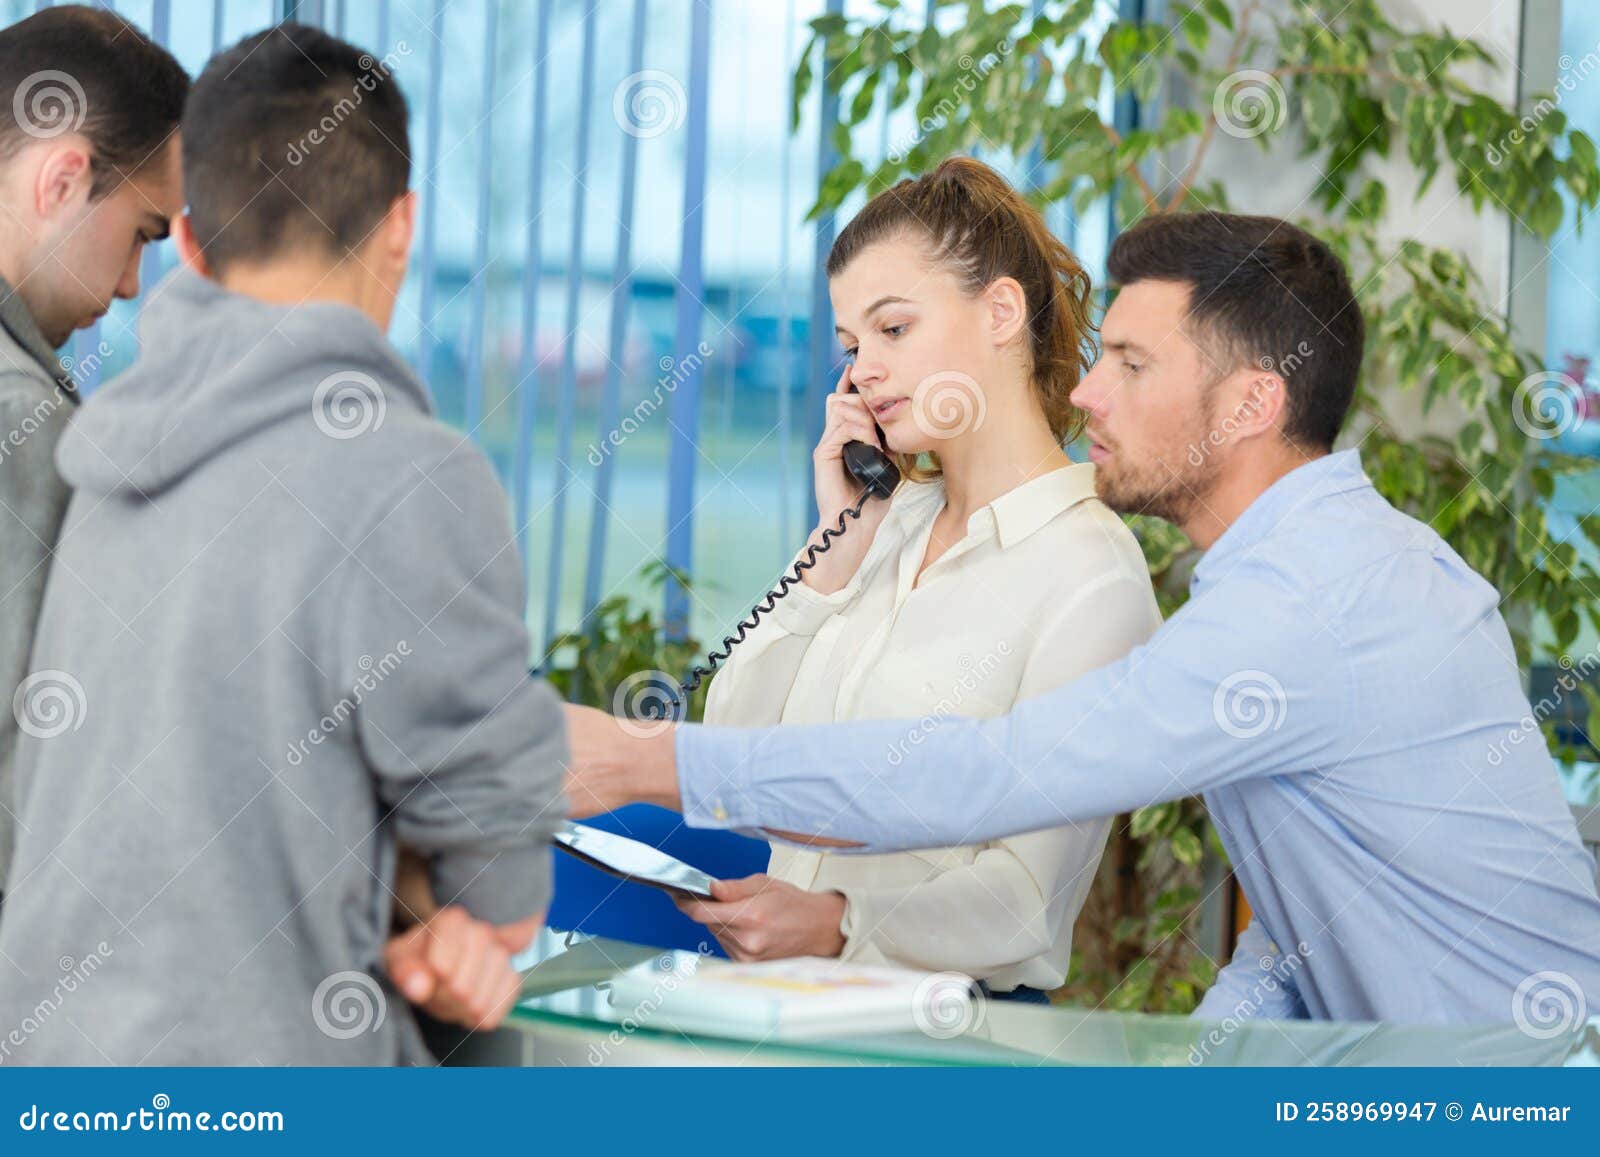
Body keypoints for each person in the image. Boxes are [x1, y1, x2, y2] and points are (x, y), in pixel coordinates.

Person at [565, 210, 1600, 1024]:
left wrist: (645, 758)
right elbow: (1299, 930)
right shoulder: (1308, 570)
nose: (1090, 393)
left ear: (1251, 404)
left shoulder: (1307, 599)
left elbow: (991, 773)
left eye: (1133, 365)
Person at [0, 24, 566, 1064]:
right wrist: (469, 917)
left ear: (194, 247)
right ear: (401, 227)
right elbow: (496, 859)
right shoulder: (409, 474)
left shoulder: (104, 465)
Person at [671, 158, 1159, 1002]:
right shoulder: (877, 521)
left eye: (893, 329)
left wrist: (837, 920)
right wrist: (836, 547)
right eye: (852, 346)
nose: (863, 370)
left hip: (948, 1028)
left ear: (1001, 312)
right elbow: (732, 756)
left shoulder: (1092, 574)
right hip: (787, 1008)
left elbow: (1024, 896)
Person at [0, 4, 185, 910]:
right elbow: (29, 797)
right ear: (64, 177)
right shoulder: (22, 418)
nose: (130, 283)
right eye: (143, 232)